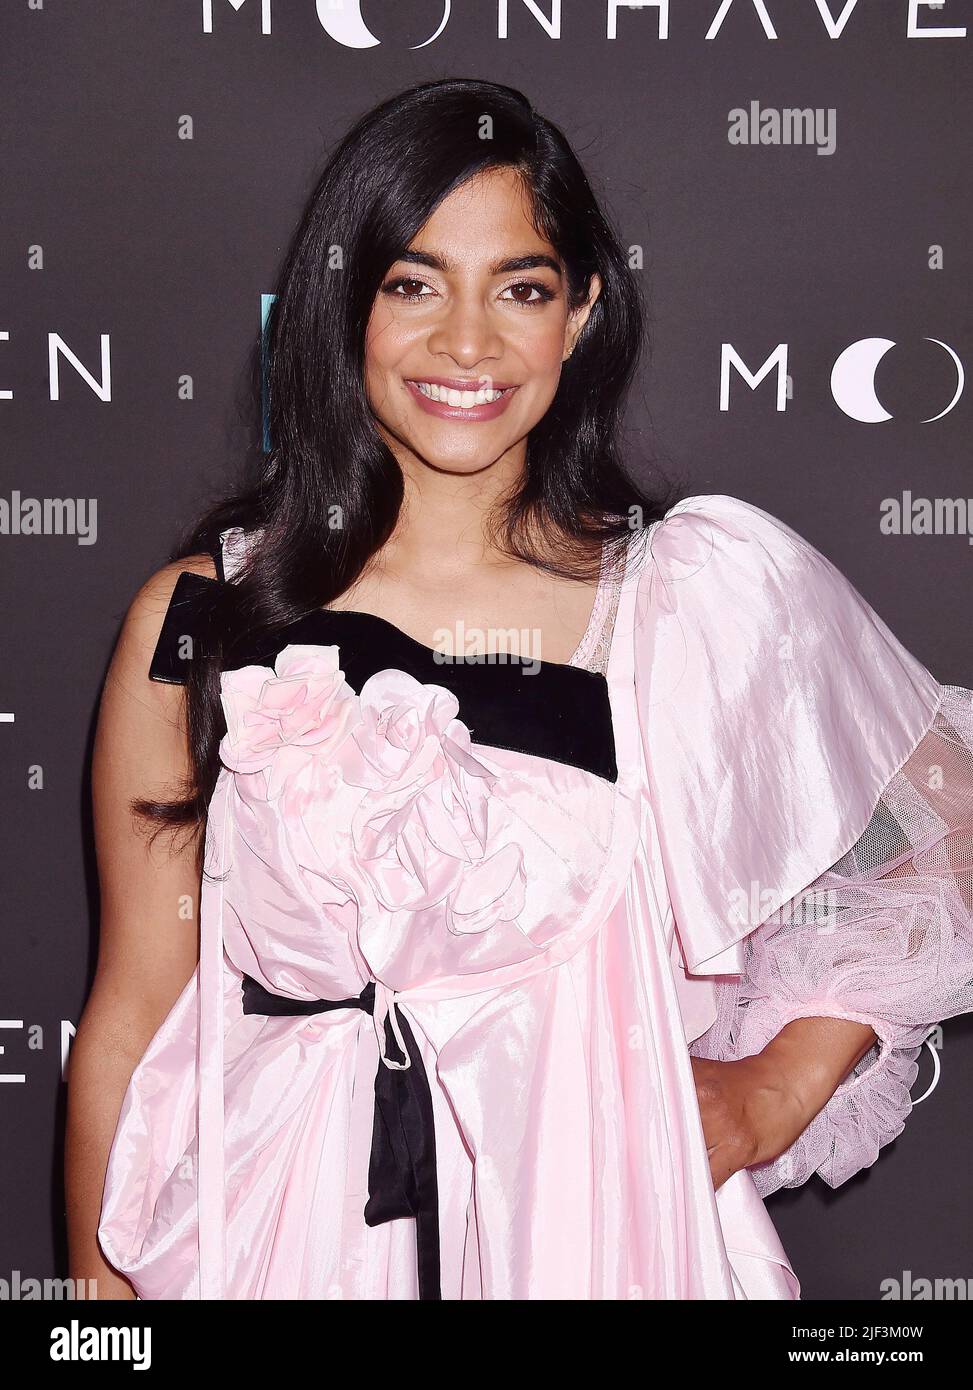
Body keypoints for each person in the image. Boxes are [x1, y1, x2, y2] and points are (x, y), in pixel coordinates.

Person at [66, 78, 973, 1300]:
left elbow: (944, 845)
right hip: (267, 1241)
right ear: (343, 307)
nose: (468, 345)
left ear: (582, 312)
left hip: (596, 1233)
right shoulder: (202, 614)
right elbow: (132, 1015)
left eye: (522, 288)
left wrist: (771, 1090)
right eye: (413, 283)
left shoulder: (689, 594)